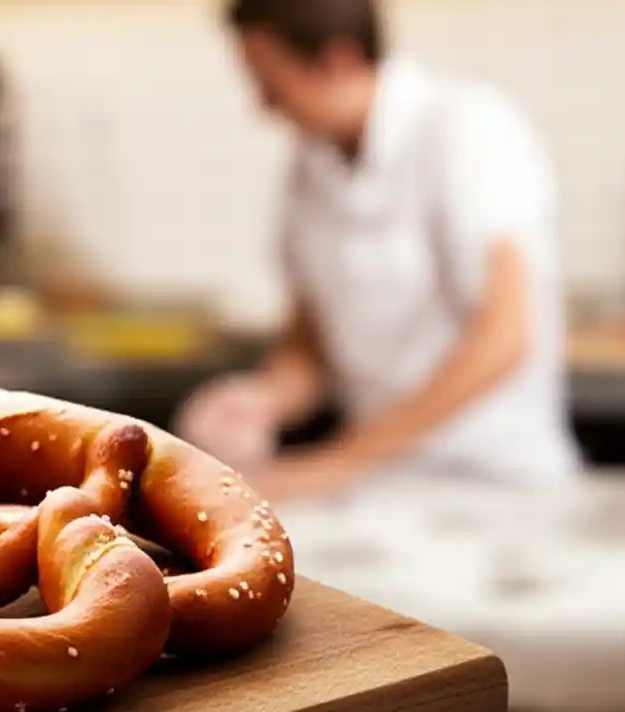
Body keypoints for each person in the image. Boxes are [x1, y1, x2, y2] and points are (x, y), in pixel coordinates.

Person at [177, 0, 580, 498]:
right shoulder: (310, 164)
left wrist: (337, 461)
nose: (263, 105)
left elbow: (504, 338)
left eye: (271, 83)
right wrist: (263, 399)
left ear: (337, 60)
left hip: (496, 480)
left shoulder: (468, 130)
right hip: (381, 490)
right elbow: (310, 343)